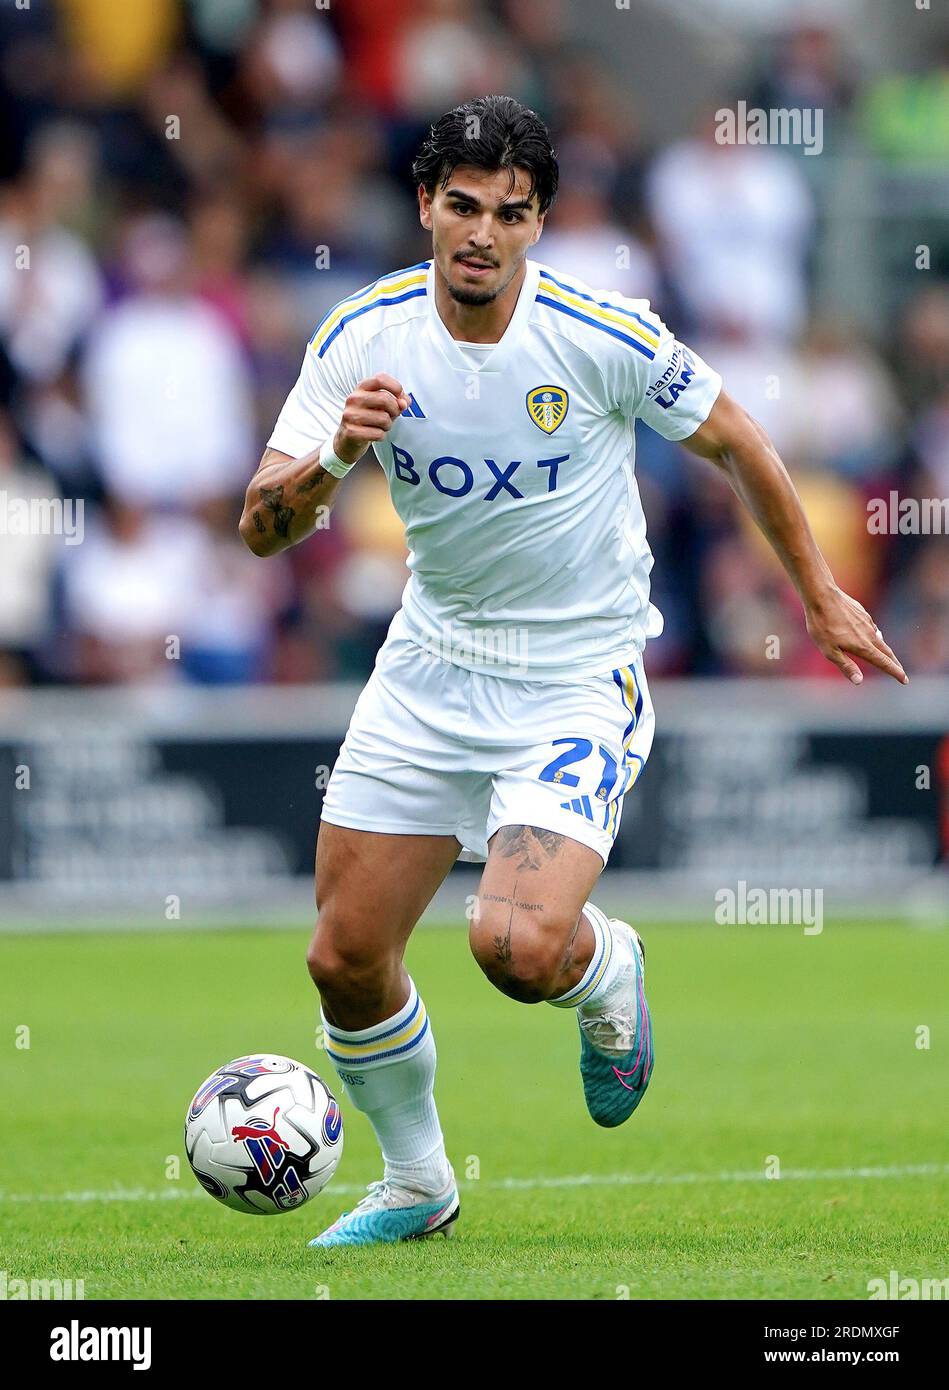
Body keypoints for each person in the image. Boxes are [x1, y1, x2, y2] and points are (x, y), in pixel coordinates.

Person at [239, 95, 908, 1248]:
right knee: (343, 959)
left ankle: (608, 968)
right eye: (461, 206)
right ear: (425, 208)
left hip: (573, 672)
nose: (482, 234)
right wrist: (338, 452)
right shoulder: (361, 334)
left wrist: (817, 593)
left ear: (539, 222)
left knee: (515, 948)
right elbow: (260, 529)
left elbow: (738, 438)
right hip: (429, 665)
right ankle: (417, 1184)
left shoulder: (602, 333)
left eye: (509, 211)